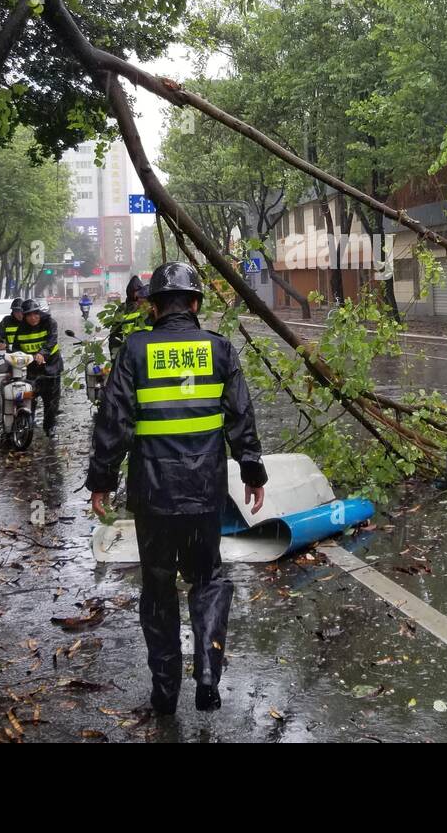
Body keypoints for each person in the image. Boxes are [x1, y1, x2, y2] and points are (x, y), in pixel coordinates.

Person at [87, 262, 267, 715]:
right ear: (194, 303)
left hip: (153, 495)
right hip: (204, 492)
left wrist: (101, 480)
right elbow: (240, 417)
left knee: (159, 588)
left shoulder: (134, 350)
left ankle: (165, 692)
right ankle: (207, 667)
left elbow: (114, 422)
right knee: (207, 579)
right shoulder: (220, 350)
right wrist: (252, 471)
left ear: (152, 307)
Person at [13, 297, 62, 438]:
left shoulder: (50, 323)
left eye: (35, 314)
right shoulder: (21, 330)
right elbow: (16, 348)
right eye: (29, 315)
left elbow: (52, 340)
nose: (33, 318)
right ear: (24, 316)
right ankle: (28, 424)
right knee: (30, 398)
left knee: (51, 402)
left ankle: (50, 427)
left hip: (52, 367)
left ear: (39, 313)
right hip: (33, 370)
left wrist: (42, 353)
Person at [107, 274, 152, 355]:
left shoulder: (150, 310)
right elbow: (114, 335)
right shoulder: (123, 309)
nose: (139, 297)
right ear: (132, 293)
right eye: (137, 293)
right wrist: (115, 357)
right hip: (127, 351)